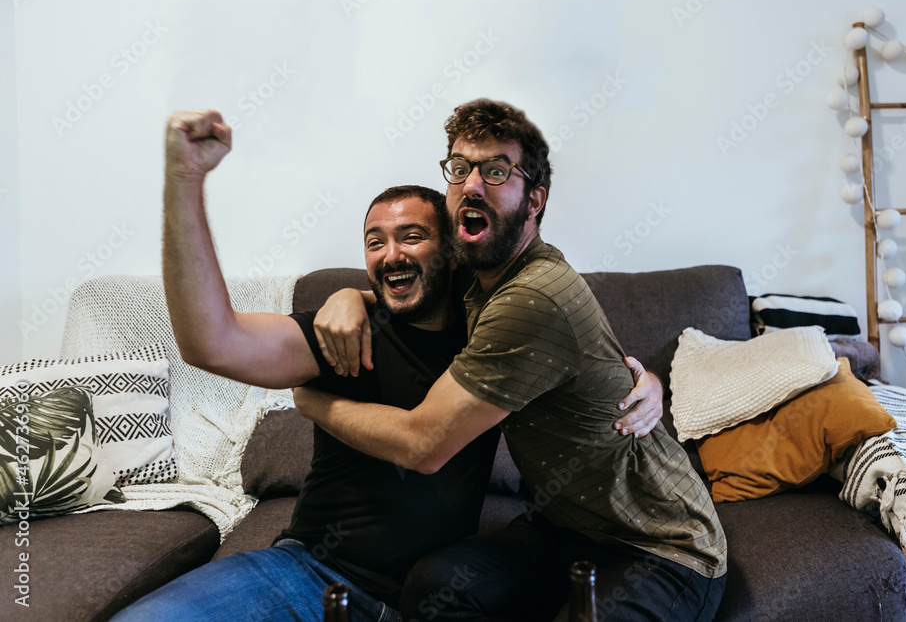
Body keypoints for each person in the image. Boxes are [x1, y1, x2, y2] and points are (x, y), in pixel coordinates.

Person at [112, 110, 660, 622]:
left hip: (439, 594)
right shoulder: (342, 335)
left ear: (453, 252)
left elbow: (587, 364)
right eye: (375, 242)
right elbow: (211, 341)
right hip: (311, 576)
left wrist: (650, 382)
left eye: (412, 237)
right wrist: (185, 181)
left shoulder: (494, 325)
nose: (391, 254)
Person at [297, 98, 728, 621]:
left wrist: (312, 401)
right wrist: (348, 296)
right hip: (564, 528)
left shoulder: (534, 295)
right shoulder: (478, 275)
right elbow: (410, 284)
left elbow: (423, 445)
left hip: (658, 548)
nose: (472, 185)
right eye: (460, 168)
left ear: (534, 200)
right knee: (434, 588)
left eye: (497, 171)